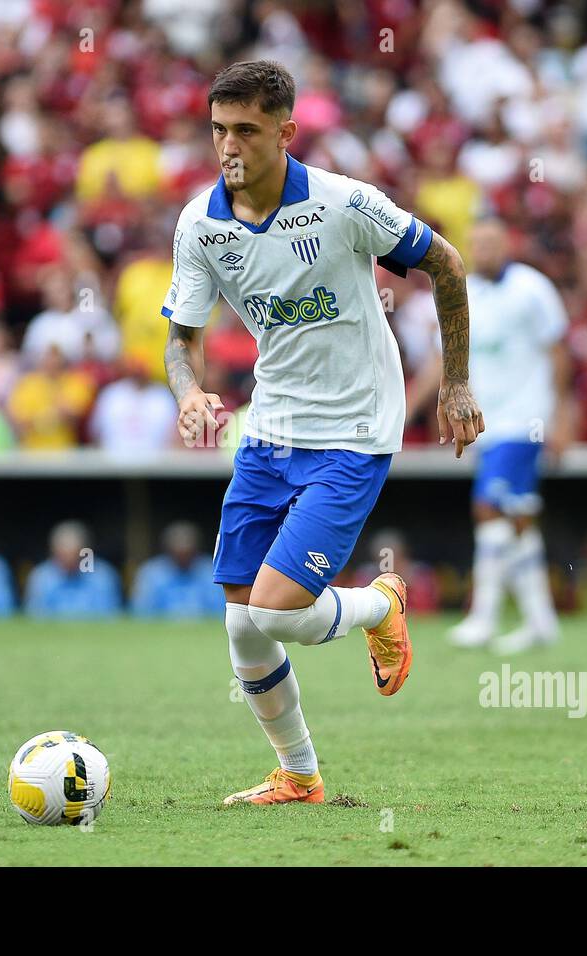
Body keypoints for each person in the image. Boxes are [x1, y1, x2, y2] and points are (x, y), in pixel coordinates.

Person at [161, 61, 483, 806]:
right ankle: (300, 777)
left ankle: (381, 604)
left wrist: (457, 382)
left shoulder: (344, 205)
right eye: (218, 130)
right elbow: (182, 338)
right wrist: (188, 393)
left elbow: (447, 264)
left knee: (276, 609)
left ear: (285, 130)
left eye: (245, 129)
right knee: (244, 627)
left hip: (355, 428)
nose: (229, 146)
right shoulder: (201, 223)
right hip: (271, 430)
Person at [414, 218, 571, 655]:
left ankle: (483, 617)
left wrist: (561, 416)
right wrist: (408, 407)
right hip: (486, 421)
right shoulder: (457, 292)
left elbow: (558, 354)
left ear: (508, 244)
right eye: (477, 244)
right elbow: (440, 361)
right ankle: (540, 621)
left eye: (492, 243)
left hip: (525, 419)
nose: (484, 251)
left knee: (487, 507)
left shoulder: (532, 288)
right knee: (517, 517)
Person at [23, 521, 122, 618]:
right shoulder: (41, 577)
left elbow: (110, 616)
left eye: (74, 554)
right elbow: (35, 616)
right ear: (54, 552)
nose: (69, 560)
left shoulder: (102, 576)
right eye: (63, 555)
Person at [131, 522, 225, 617]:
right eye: (178, 552)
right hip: (161, 629)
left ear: (197, 550)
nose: (183, 556)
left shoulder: (213, 571)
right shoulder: (150, 573)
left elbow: (221, 611)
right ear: (167, 549)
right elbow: (141, 612)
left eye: (188, 552)